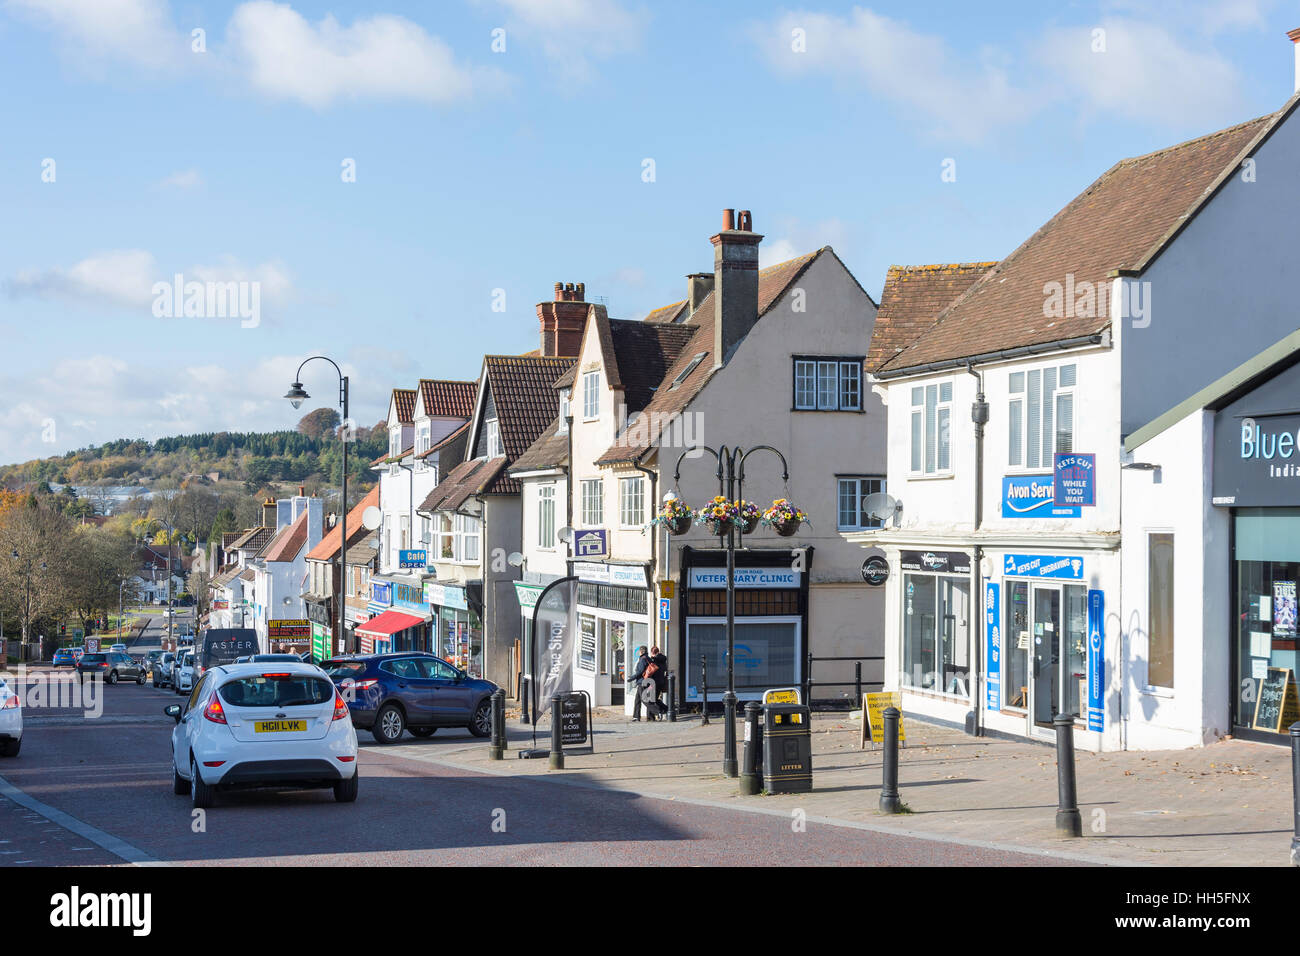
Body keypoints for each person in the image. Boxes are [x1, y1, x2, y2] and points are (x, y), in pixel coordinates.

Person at [629, 645, 651, 721]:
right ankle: (636, 716)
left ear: (641, 651)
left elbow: (640, 671)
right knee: (638, 700)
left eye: (639, 651)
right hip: (645, 681)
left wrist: (632, 678)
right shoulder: (648, 658)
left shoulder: (642, 659)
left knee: (644, 700)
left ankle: (658, 711)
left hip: (642, 682)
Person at [649, 645, 669, 717]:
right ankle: (663, 709)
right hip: (661, 682)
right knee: (654, 698)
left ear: (652, 652)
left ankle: (664, 709)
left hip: (654, 682)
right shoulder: (663, 660)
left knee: (651, 699)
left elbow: (652, 671)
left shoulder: (654, 660)